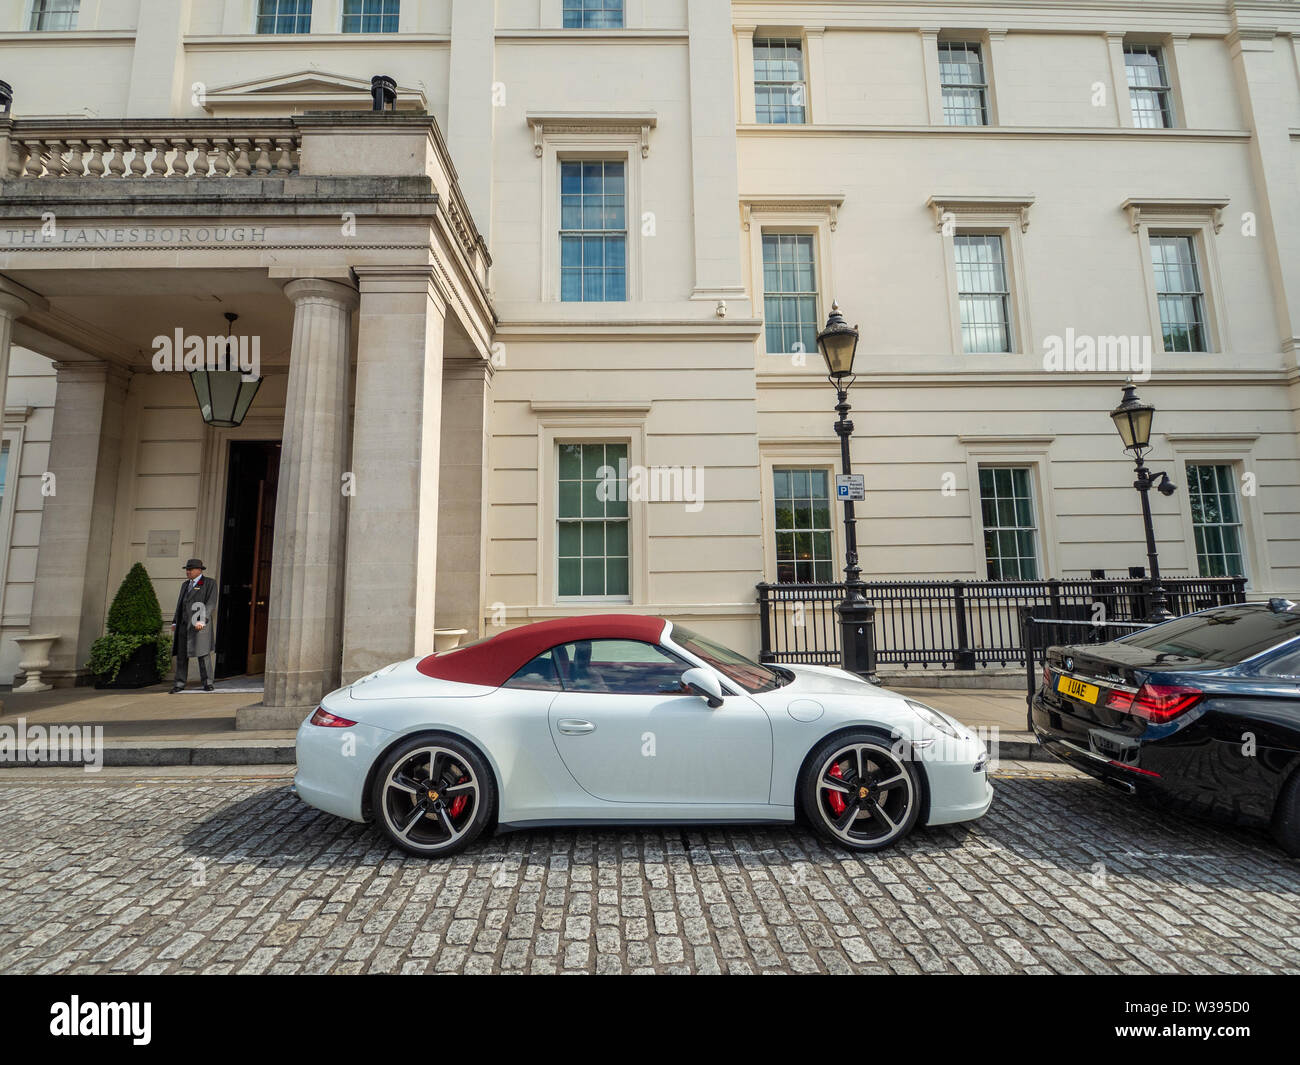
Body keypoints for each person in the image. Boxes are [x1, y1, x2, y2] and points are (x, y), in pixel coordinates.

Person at [171, 558, 217, 693]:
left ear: (199, 570)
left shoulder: (209, 583)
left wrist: (202, 620)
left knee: (203, 654)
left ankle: (208, 683)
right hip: (183, 625)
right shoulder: (185, 585)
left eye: (190, 569)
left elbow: (211, 603)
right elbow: (180, 604)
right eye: (187, 569)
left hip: (200, 625)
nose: (188, 572)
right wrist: (175, 621)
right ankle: (179, 683)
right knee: (181, 655)